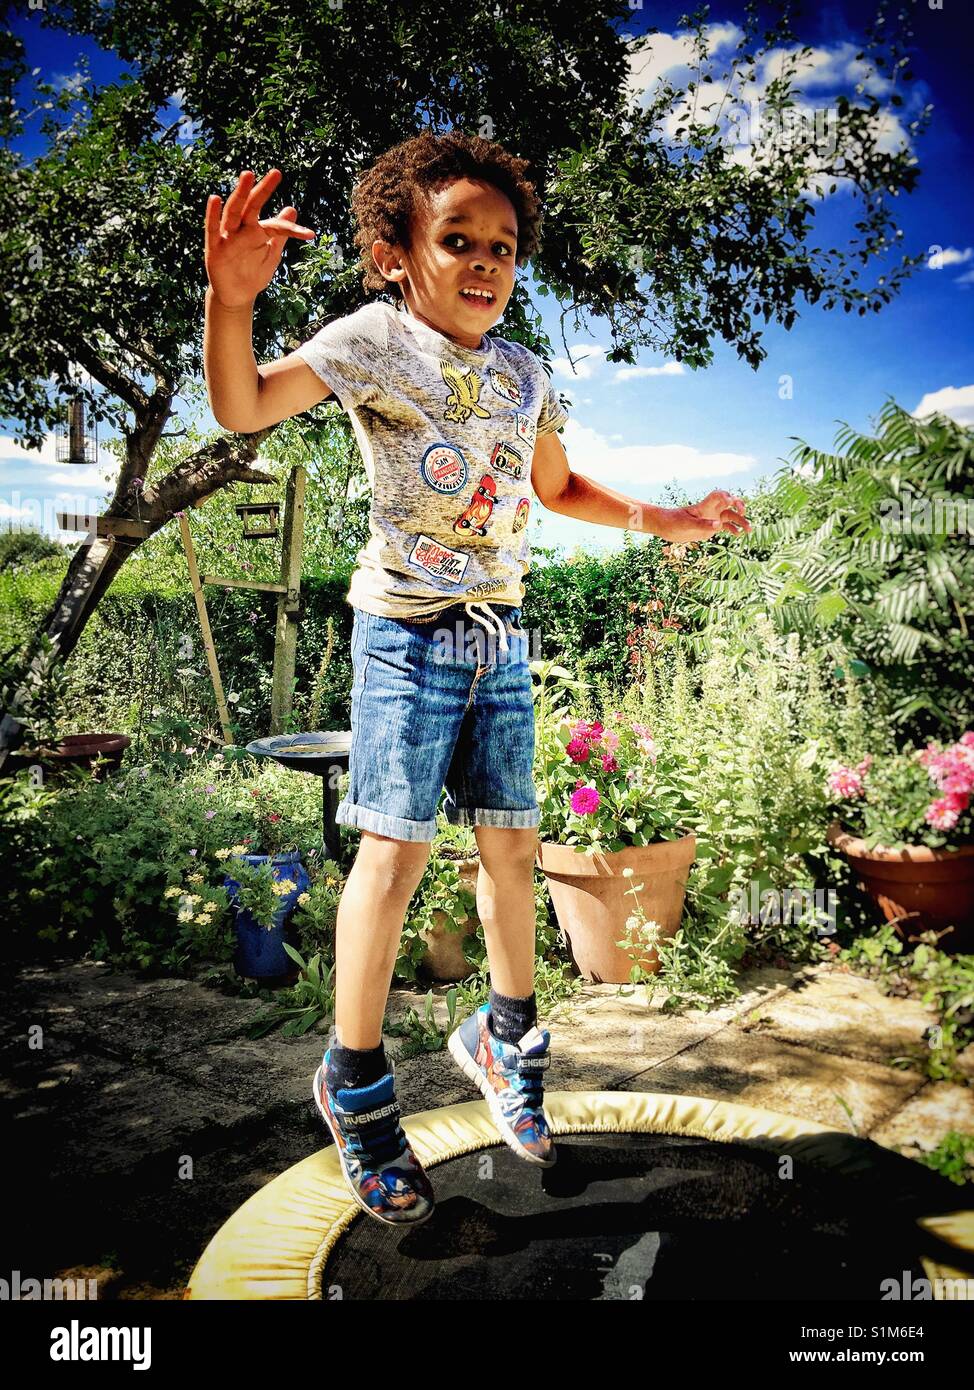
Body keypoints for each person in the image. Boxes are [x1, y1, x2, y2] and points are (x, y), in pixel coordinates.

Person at [203, 130, 751, 1228]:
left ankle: (503, 1040)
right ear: (394, 253)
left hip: (495, 633)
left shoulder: (522, 372)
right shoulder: (371, 338)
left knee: (510, 848)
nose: (486, 261)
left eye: (503, 244)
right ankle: (354, 1087)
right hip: (403, 633)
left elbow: (555, 485)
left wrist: (667, 518)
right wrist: (231, 302)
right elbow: (242, 406)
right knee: (394, 856)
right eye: (457, 239)